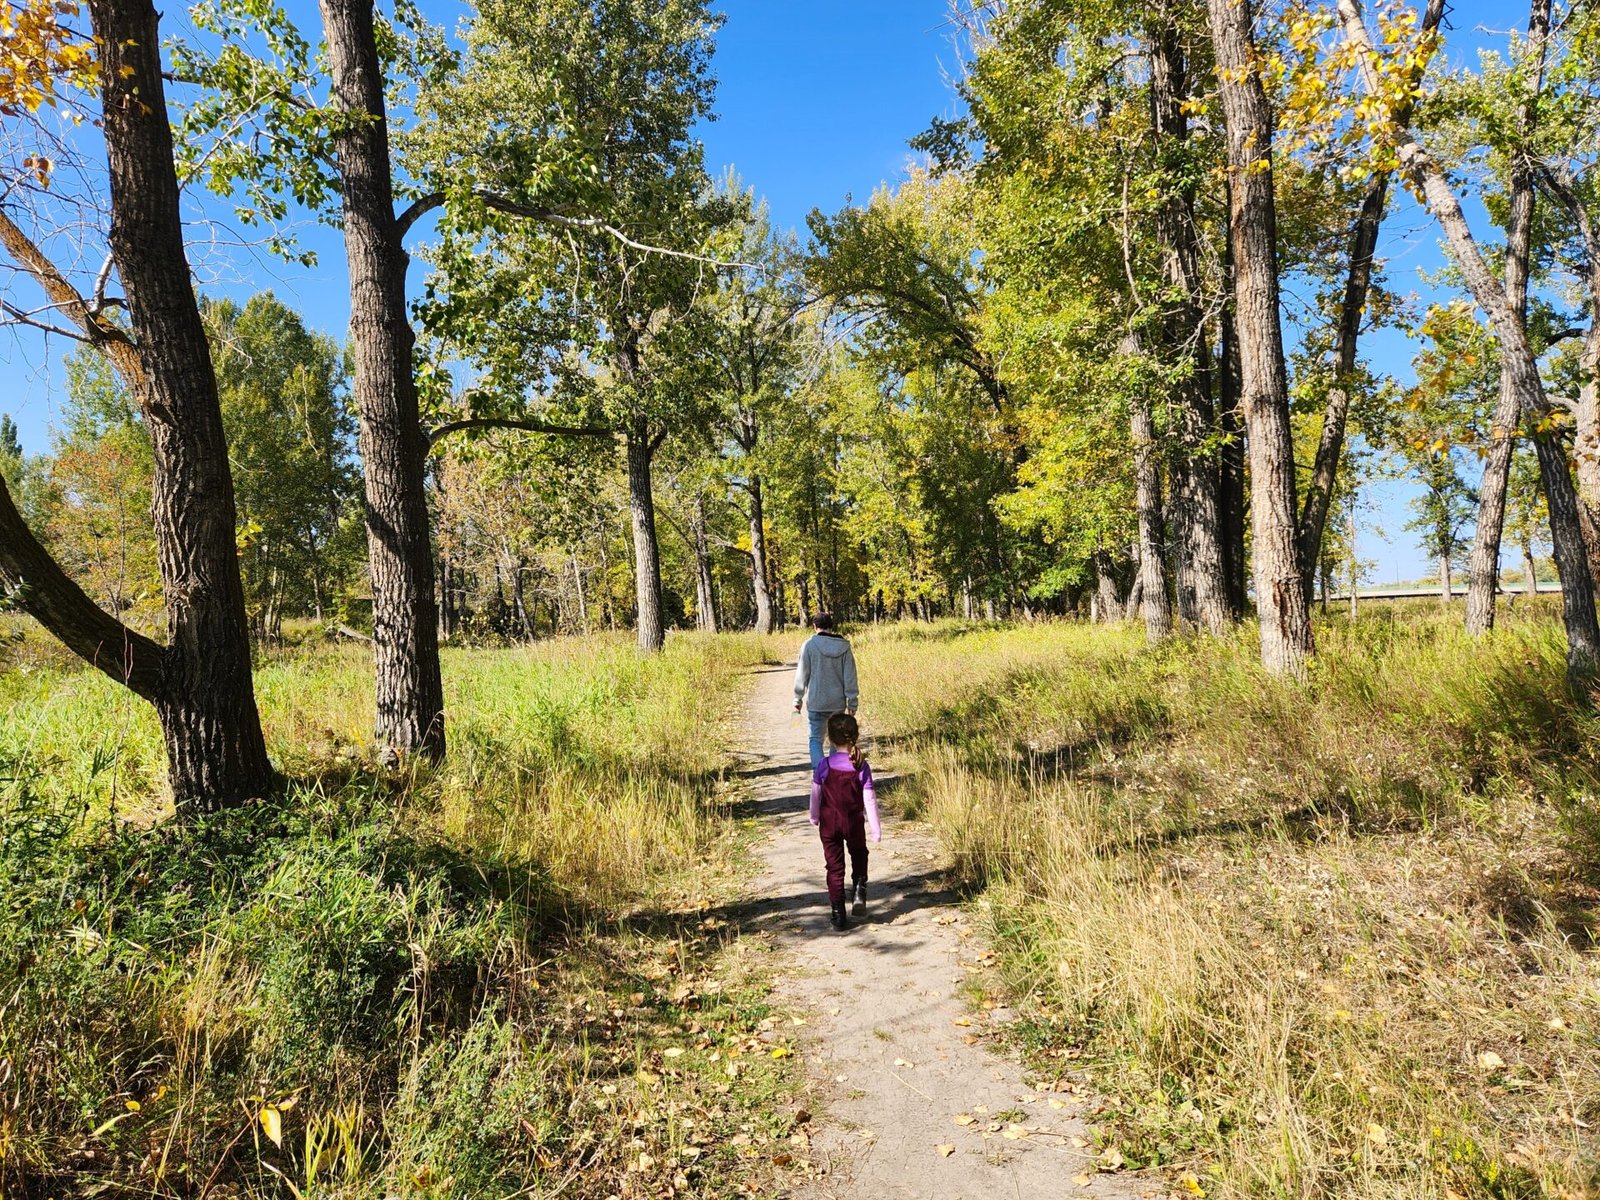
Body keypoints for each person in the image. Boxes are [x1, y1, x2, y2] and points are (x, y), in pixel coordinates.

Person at [809, 712, 880, 930]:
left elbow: (815, 794)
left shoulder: (824, 765)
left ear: (829, 739)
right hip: (854, 822)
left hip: (829, 824)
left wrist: (814, 816)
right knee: (859, 853)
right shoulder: (860, 767)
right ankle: (859, 889)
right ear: (855, 737)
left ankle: (838, 915)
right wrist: (875, 829)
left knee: (834, 867)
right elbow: (869, 798)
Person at [792, 612, 859, 769]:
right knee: (837, 741)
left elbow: (802, 675)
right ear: (831, 626)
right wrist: (852, 702)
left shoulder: (808, 646)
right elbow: (850, 676)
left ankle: (820, 773)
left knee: (815, 739)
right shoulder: (844, 647)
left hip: (816, 702)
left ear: (815, 626)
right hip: (837, 704)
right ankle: (835, 774)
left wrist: (797, 700)